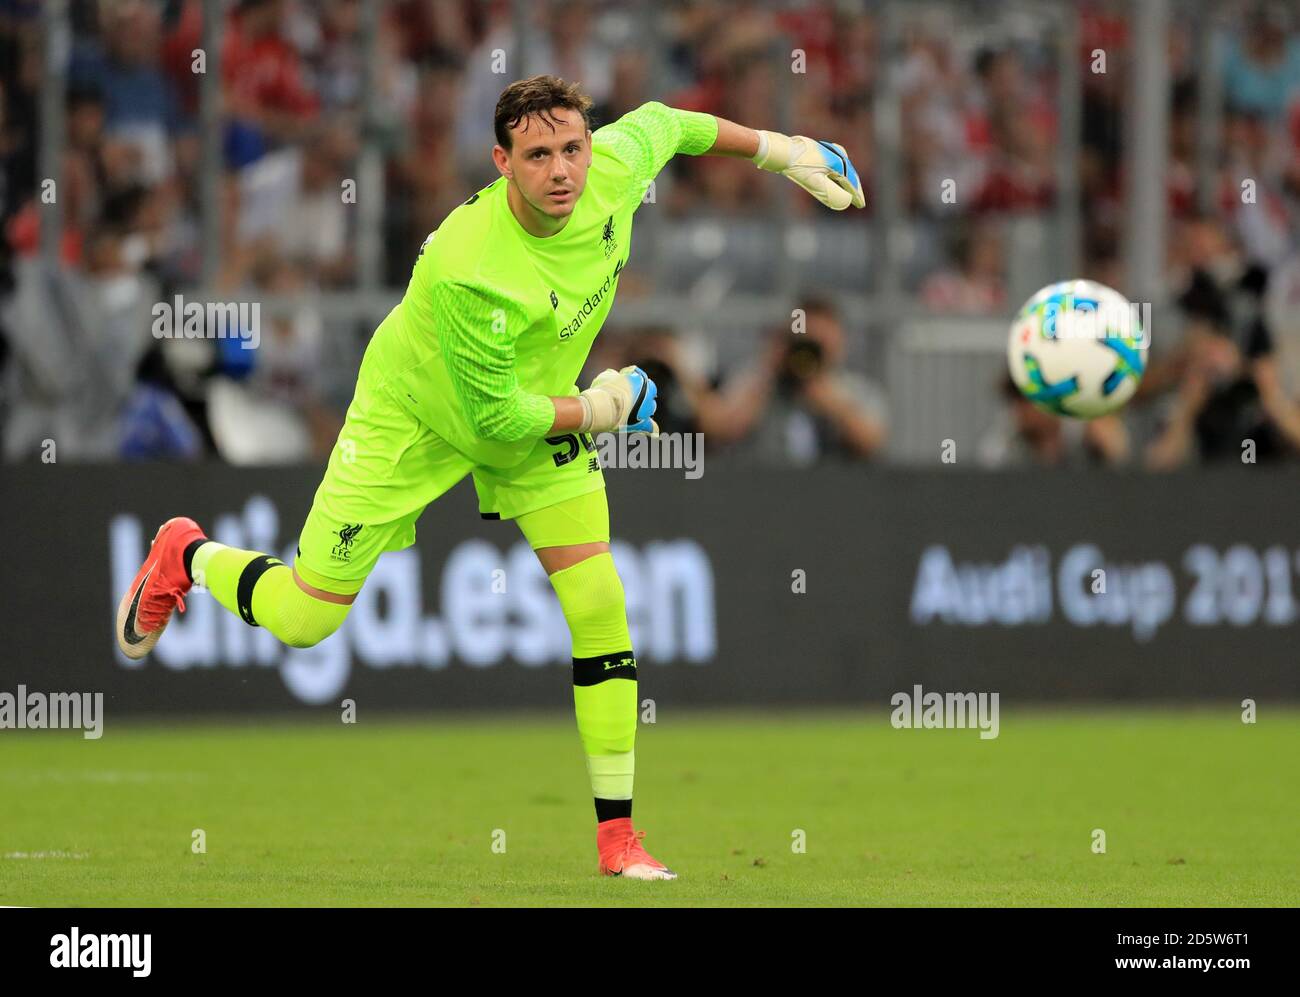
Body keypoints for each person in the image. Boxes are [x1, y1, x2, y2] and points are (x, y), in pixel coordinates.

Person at [115, 74, 864, 880]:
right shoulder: (470, 264)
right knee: (304, 619)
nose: (563, 171)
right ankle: (184, 554)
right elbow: (497, 420)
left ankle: (619, 842)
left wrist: (790, 152)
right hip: (417, 414)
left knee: (600, 601)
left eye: (572, 148)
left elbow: (673, 124)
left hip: (540, 404)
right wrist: (606, 406)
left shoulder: (612, 165)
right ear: (501, 162)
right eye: (537, 155)